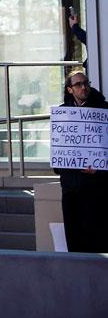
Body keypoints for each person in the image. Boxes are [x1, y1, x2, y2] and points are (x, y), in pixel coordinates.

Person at [54, 68, 108, 252]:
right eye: (78, 84)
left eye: (86, 83)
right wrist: (62, 165)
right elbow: (57, 153)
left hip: (96, 188)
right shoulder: (62, 114)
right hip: (70, 189)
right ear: (70, 89)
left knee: (96, 238)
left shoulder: (104, 111)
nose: (83, 87)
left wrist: (100, 171)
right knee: (74, 239)